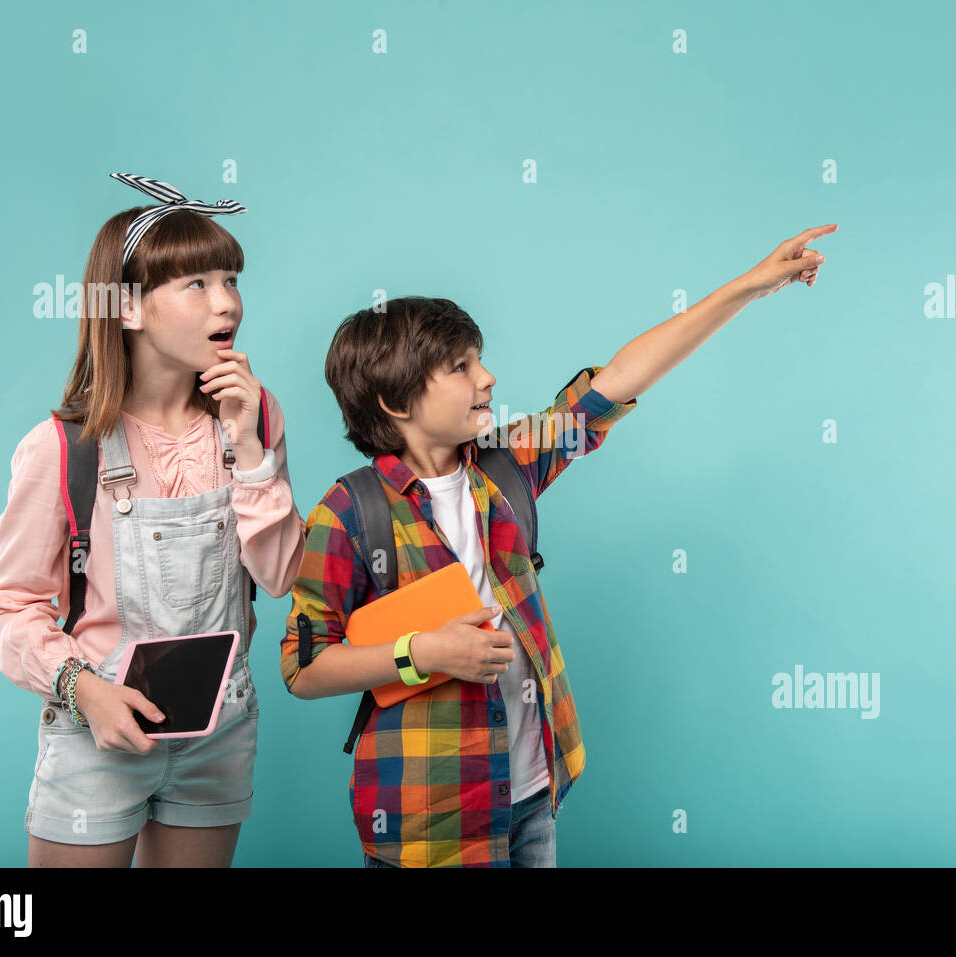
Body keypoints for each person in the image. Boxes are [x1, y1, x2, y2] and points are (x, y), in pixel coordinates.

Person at [283, 224, 837, 867]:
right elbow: (303, 667)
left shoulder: (508, 466)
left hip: (533, 796)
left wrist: (748, 286)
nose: (487, 378)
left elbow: (619, 381)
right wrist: (424, 652)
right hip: (430, 823)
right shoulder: (349, 512)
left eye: (479, 358)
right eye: (461, 367)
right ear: (395, 400)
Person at [0, 174, 306, 867]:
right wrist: (85, 690)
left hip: (221, 729)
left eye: (231, 279)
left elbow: (280, 578)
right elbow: (7, 610)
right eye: (196, 284)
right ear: (127, 308)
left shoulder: (258, 415)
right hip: (98, 736)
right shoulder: (63, 449)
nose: (227, 303)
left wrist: (250, 452)